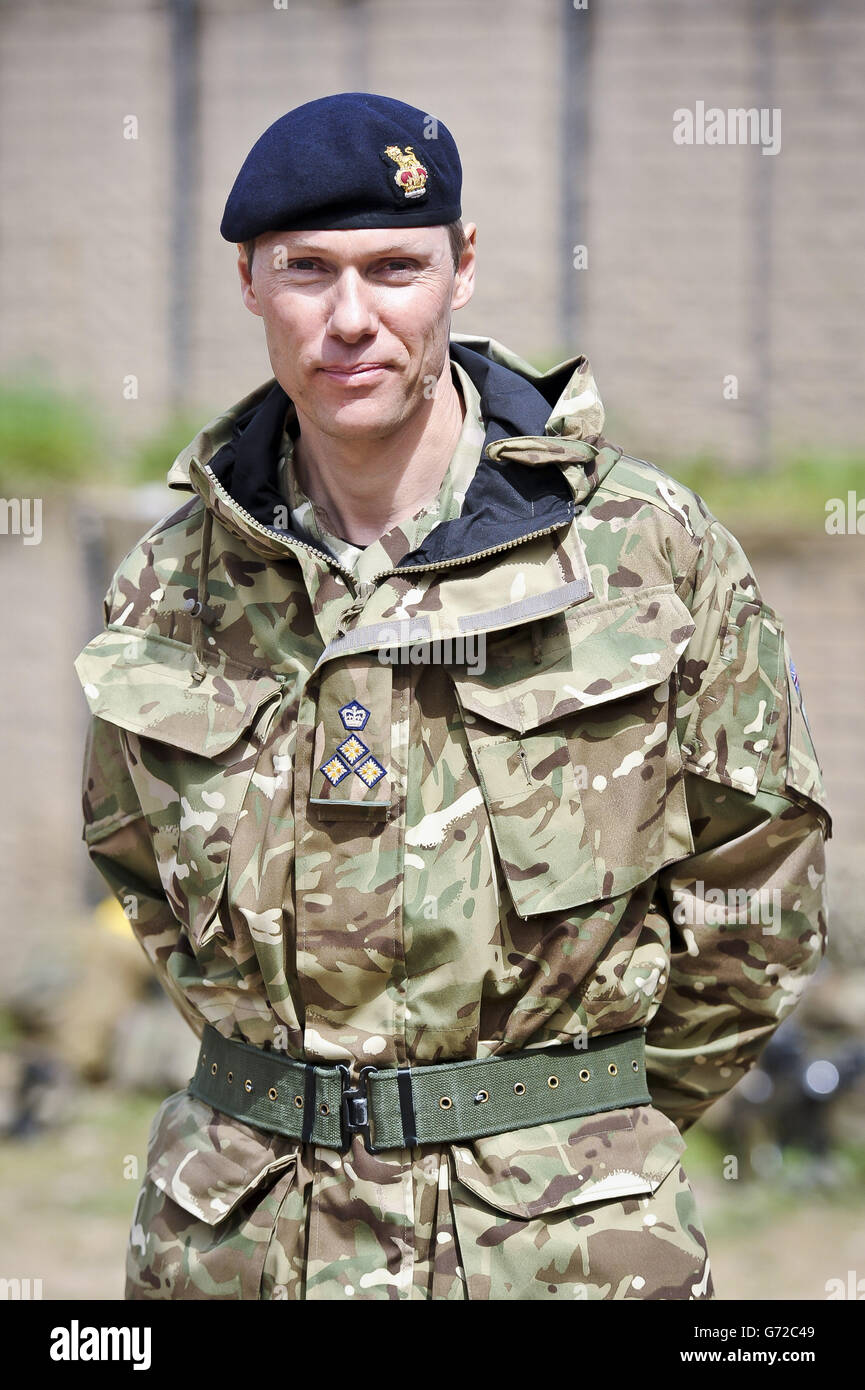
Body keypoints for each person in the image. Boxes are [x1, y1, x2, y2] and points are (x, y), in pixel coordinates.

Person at [75, 91, 831, 1301]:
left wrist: (582, 1139)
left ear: (462, 267)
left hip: (558, 1251)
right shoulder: (172, 581)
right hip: (240, 1242)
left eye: (394, 267)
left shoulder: (639, 549)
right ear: (248, 281)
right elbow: (134, 864)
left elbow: (760, 882)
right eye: (306, 271)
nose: (351, 318)